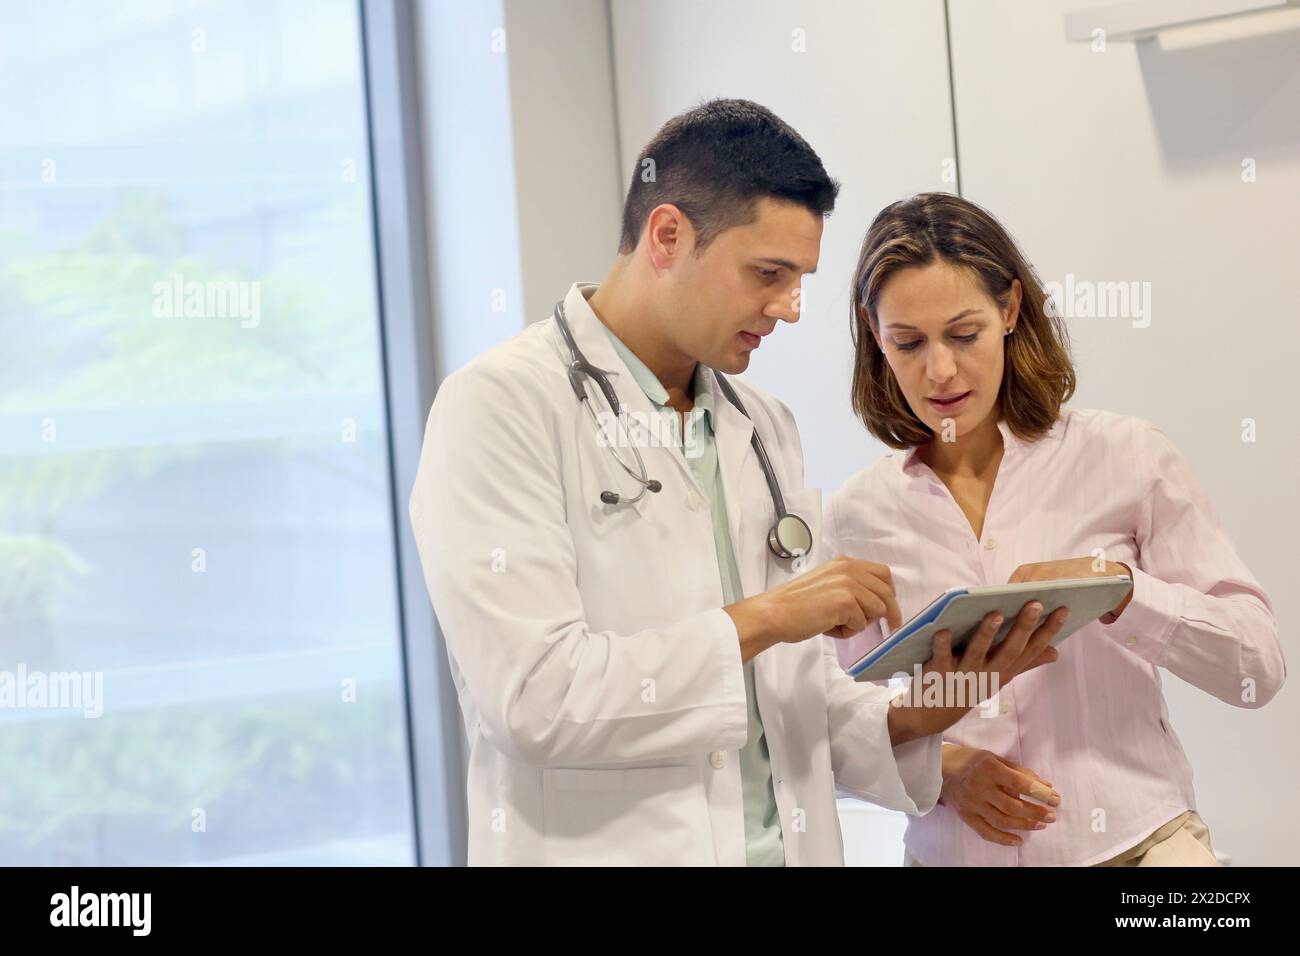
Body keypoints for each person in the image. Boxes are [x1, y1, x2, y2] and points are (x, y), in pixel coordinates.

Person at [409, 102, 1062, 866]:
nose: (788, 307)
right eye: (768, 275)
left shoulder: (763, 427)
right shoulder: (501, 407)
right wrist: (769, 616)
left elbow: (796, 710)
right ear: (667, 236)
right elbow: (533, 699)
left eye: (799, 281)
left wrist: (937, 701)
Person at [828, 192, 1286, 866]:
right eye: (908, 342)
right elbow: (828, 733)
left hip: (1142, 847)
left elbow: (1257, 667)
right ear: (874, 333)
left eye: (964, 333)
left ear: (1010, 309)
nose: (940, 371)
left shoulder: (1126, 456)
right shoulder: (855, 515)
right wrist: (945, 769)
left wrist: (1120, 591)